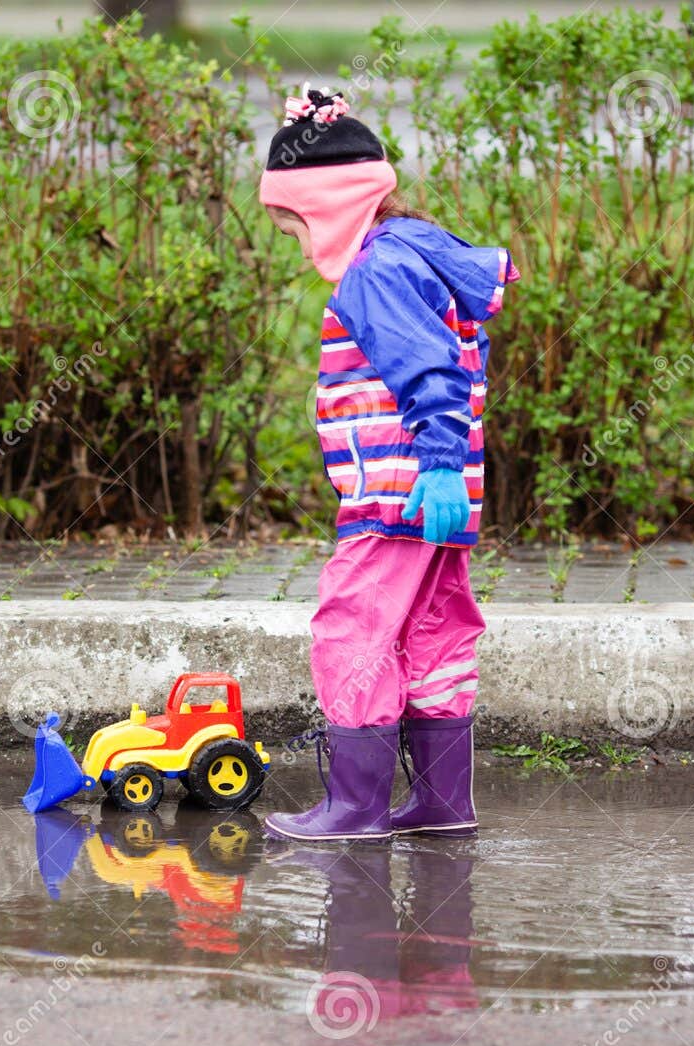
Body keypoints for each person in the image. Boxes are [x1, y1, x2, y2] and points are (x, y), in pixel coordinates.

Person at [259, 87, 518, 842]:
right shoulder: (417, 253)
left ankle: (357, 805)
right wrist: (449, 470)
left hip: (401, 492)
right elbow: (460, 360)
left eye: (297, 227)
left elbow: (431, 370)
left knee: (354, 629)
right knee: (434, 632)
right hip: (441, 496)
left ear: (330, 209)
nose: (302, 249)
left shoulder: (375, 272)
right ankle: (442, 801)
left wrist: (434, 464)